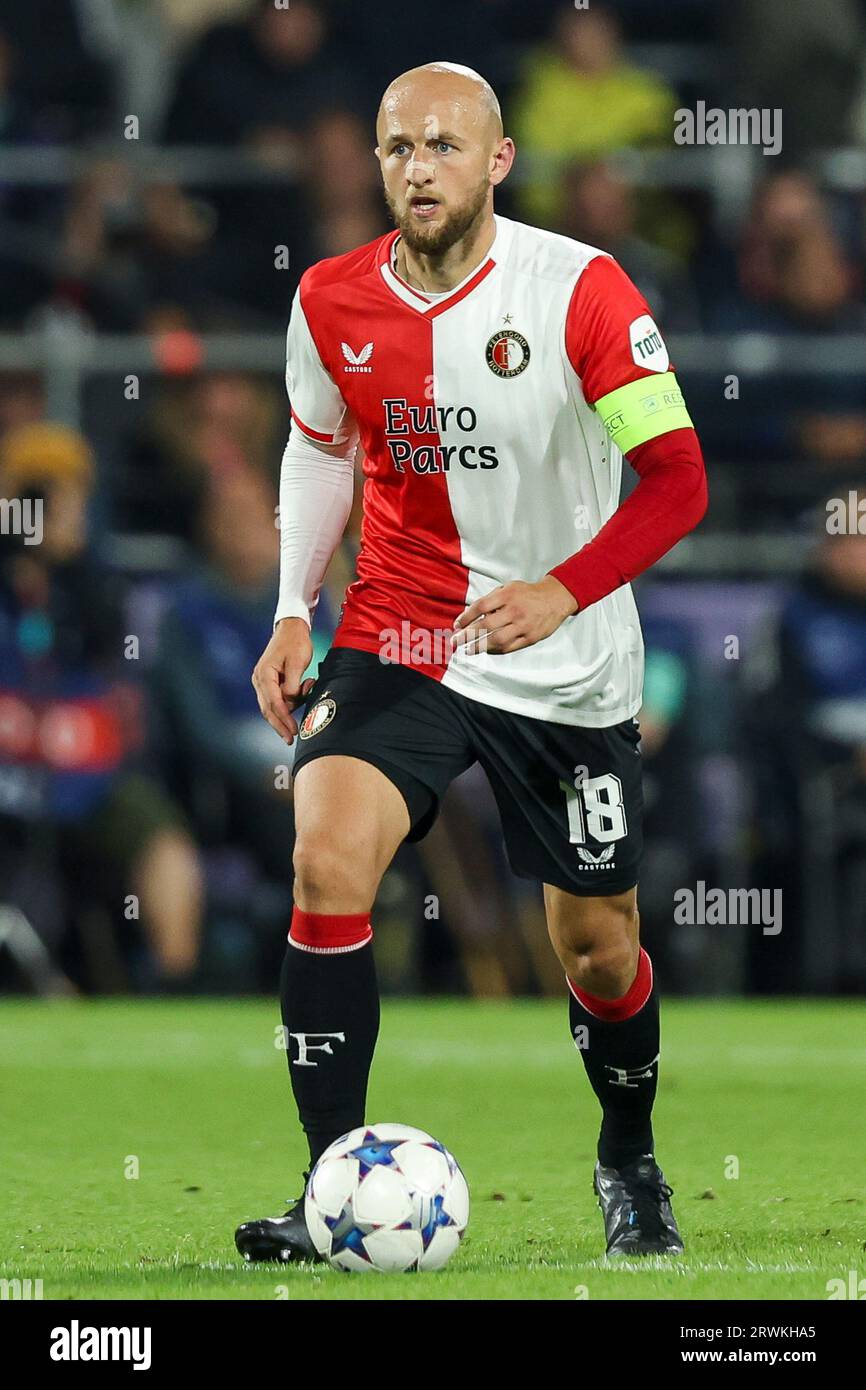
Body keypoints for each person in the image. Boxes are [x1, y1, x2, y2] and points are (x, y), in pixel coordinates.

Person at [235, 60, 707, 1264]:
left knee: (597, 947)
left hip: (564, 664)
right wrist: (293, 605)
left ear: (497, 160)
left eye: (444, 146)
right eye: (397, 147)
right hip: (401, 631)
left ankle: (627, 1158)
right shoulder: (331, 301)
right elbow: (318, 450)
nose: (417, 168)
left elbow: (676, 479)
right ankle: (330, 1182)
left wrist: (562, 588)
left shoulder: (580, 291)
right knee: (326, 858)